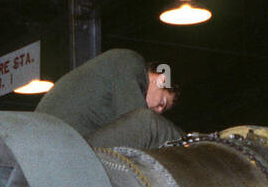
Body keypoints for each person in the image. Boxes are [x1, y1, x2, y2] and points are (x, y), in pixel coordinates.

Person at [35, 48, 184, 149]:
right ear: (161, 79)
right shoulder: (130, 61)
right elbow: (140, 122)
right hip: (68, 147)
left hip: (62, 145)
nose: (158, 110)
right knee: (149, 123)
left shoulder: (113, 87)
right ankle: (201, 151)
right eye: (162, 103)